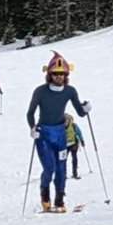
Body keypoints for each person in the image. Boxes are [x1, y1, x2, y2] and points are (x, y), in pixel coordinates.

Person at [27, 54, 88, 213]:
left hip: (61, 134)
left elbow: (80, 112)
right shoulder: (40, 91)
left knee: (62, 168)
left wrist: (86, 109)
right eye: (55, 74)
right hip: (44, 134)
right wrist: (33, 128)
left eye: (62, 74)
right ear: (49, 75)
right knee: (50, 168)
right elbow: (30, 113)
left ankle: (59, 199)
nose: (59, 77)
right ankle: (45, 194)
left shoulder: (69, 91)